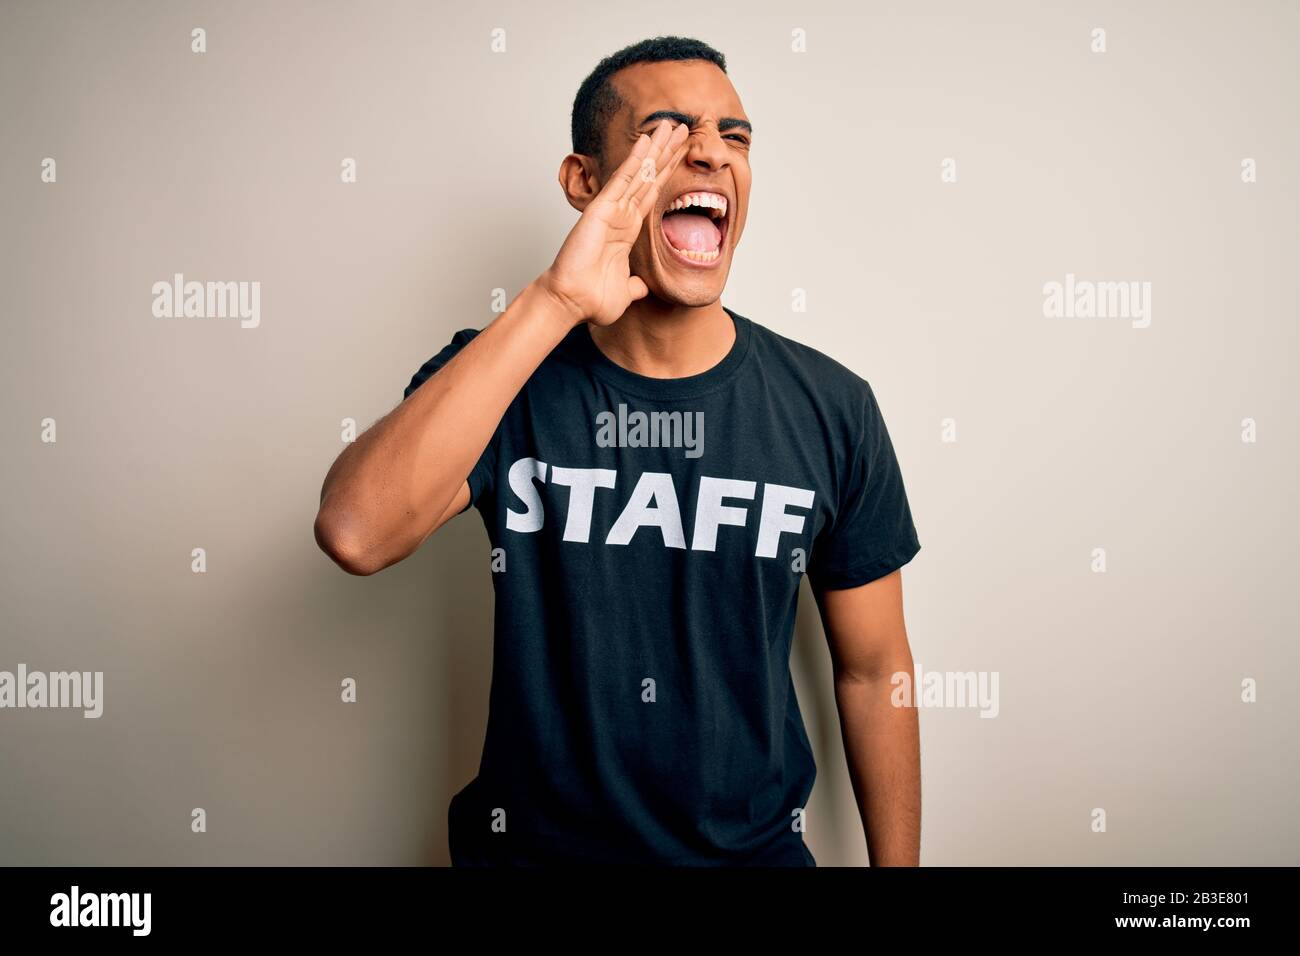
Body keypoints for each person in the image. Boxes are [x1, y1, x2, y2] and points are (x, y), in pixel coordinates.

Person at [314, 36, 922, 866]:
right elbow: (355, 531)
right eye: (667, 133)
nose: (710, 151)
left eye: (734, 137)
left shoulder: (832, 406)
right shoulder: (500, 375)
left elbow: (874, 670)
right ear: (585, 181)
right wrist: (557, 300)